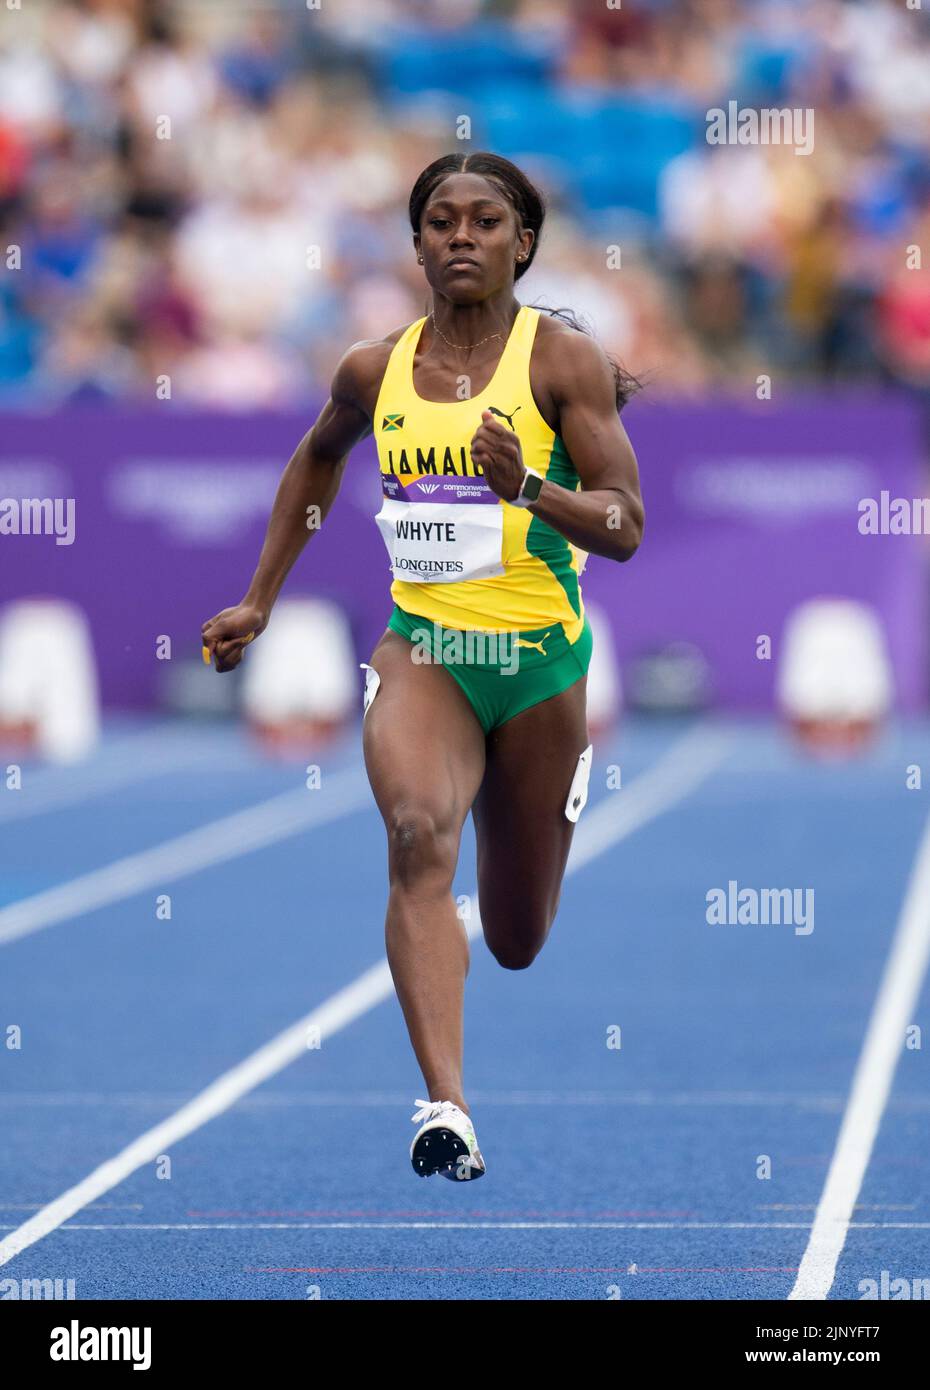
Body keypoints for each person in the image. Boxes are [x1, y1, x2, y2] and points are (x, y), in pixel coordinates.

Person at [202, 151, 644, 1181]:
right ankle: (446, 1103)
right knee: (412, 834)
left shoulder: (562, 363)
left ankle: (548, 806)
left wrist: (528, 484)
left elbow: (623, 525)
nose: (460, 236)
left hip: (536, 666)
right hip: (426, 651)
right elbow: (319, 457)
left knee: (519, 934)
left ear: (521, 243)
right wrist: (261, 596)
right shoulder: (374, 368)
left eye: (484, 221)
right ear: (415, 244)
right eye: (439, 220)